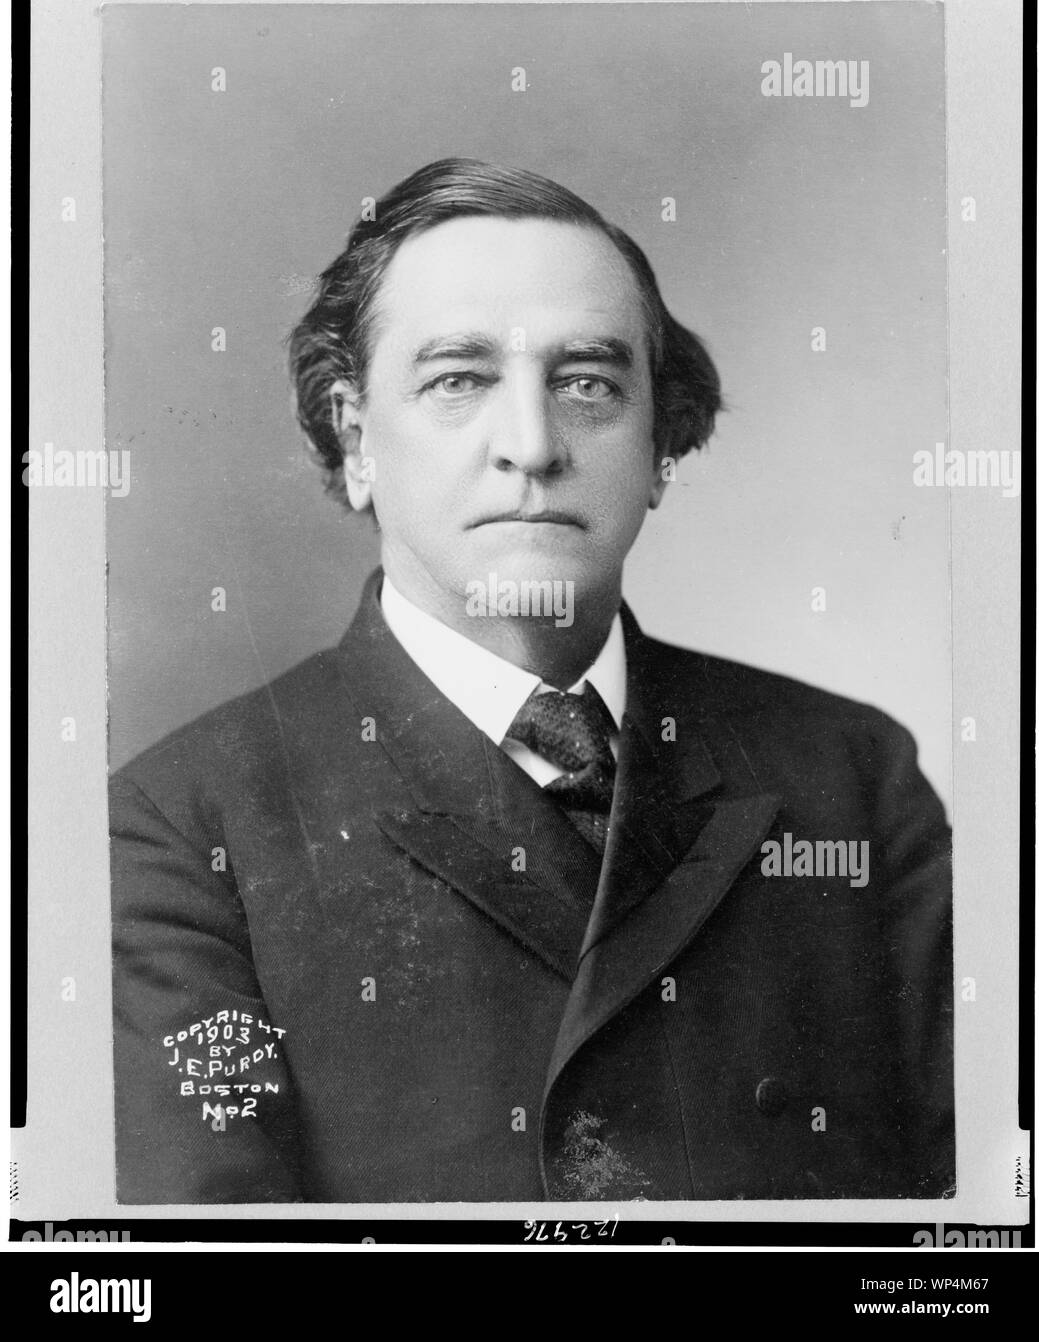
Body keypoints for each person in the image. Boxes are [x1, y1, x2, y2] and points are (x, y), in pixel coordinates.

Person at [110, 158, 954, 1204]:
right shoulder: (181, 827)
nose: (533, 445)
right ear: (354, 436)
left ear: (659, 447)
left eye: (588, 382)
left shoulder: (851, 773)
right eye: (457, 380)